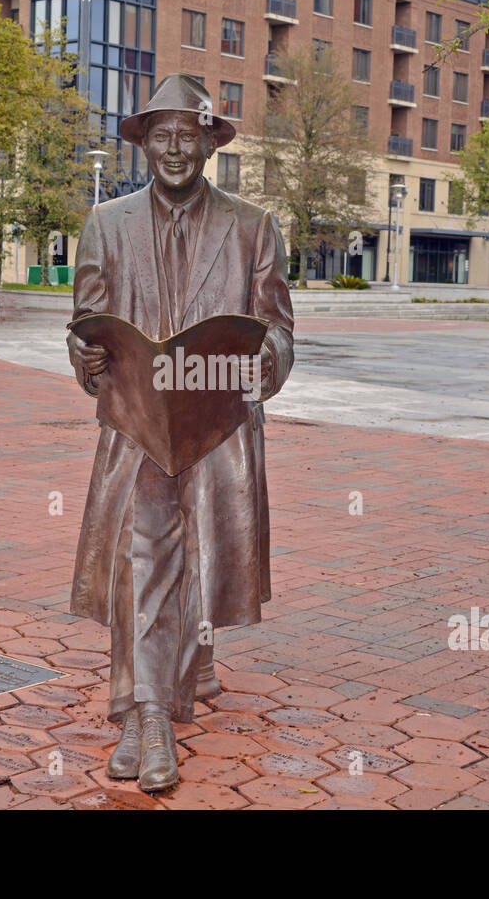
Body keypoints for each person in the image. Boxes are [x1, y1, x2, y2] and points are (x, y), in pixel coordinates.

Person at [65, 75, 295, 792]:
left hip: (218, 419)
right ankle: (148, 713)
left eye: (187, 135)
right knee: (143, 555)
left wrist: (264, 362)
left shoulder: (254, 226)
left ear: (207, 143)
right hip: (137, 420)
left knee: (199, 553)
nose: (174, 148)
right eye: (161, 135)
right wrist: (86, 358)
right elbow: (85, 329)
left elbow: (280, 329)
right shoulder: (106, 224)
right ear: (143, 144)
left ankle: (190, 663)